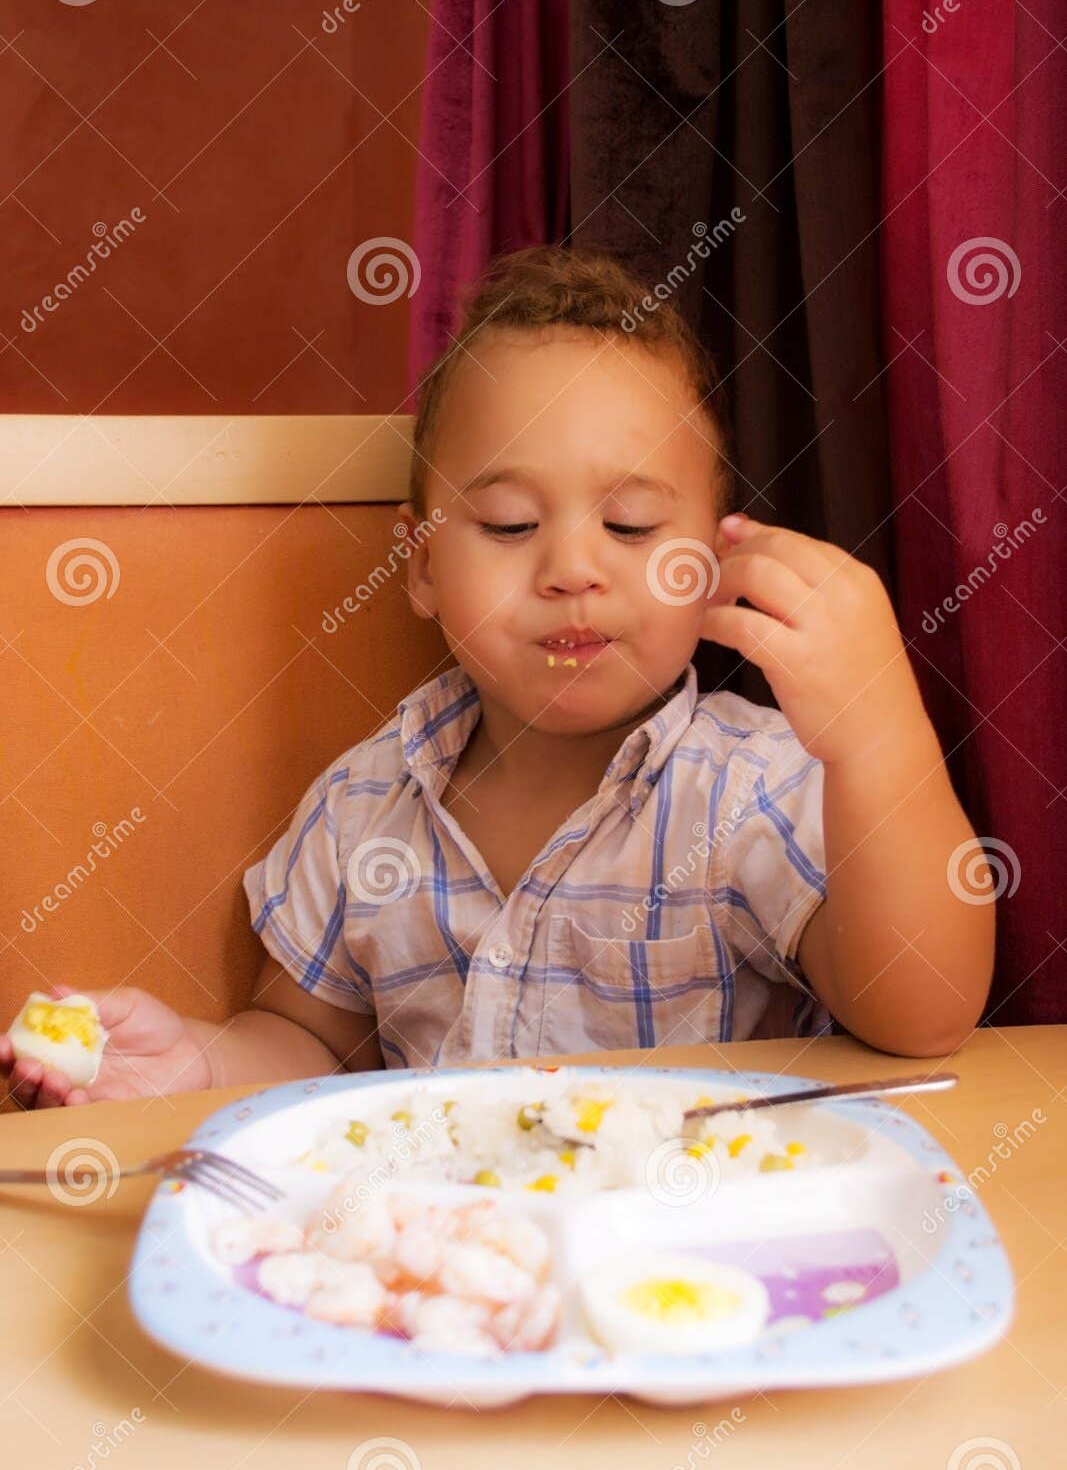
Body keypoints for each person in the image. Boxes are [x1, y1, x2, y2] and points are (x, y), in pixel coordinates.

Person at [1, 245, 994, 1109]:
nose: (570, 568)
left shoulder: (756, 788)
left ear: (710, 554)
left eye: (632, 526)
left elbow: (922, 1011)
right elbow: (309, 1047)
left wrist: (875, 737)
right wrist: (196, 1063)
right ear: (423, 562)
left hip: (685, 1264)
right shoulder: (362, 807)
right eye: (511, 523)